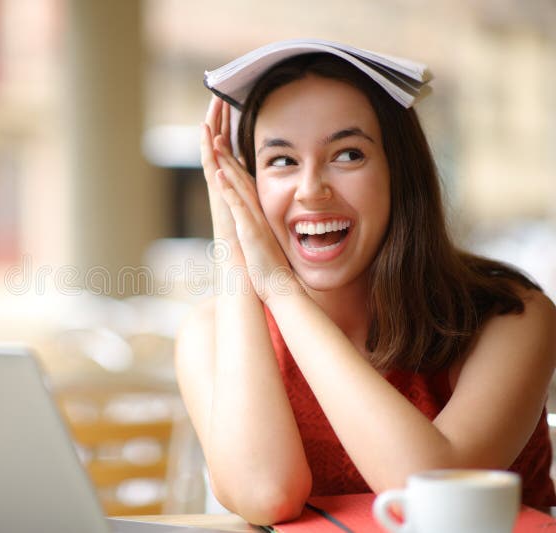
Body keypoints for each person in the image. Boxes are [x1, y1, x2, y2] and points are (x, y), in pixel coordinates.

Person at [174, 46, 556, 526]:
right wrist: (234, 251)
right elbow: (266, 493)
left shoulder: (512, 316)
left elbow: (427, 490)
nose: (311, 189)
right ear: (245, 183)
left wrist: (280, 288)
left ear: (400, 172)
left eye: (348, 154)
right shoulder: (214, 331)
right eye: (281, 160)